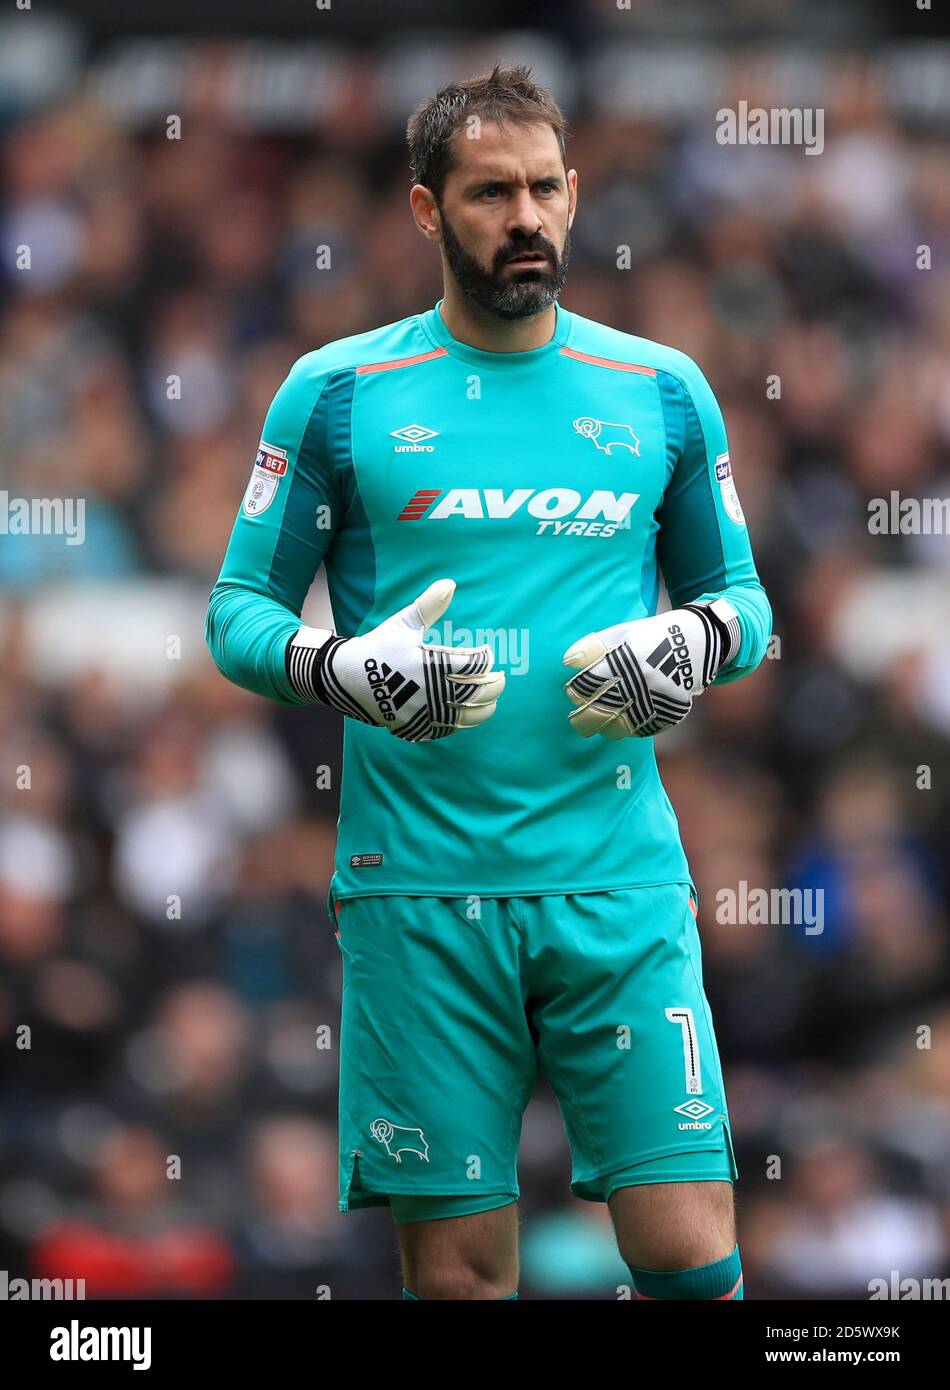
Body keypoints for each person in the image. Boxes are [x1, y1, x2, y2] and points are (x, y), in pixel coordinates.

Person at [206, 63, 771, 1301]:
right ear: (424, 211)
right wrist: (340, 667)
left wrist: (694, 646)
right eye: (488, 193)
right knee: (461, 1274)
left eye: (544, 189)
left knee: (687, 1250)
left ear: (574, 195)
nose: (524, 218)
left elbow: (742, 599)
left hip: (616, 879)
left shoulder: (660, 390)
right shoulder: (339, 393)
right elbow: (234, 612)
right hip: (420, 889)